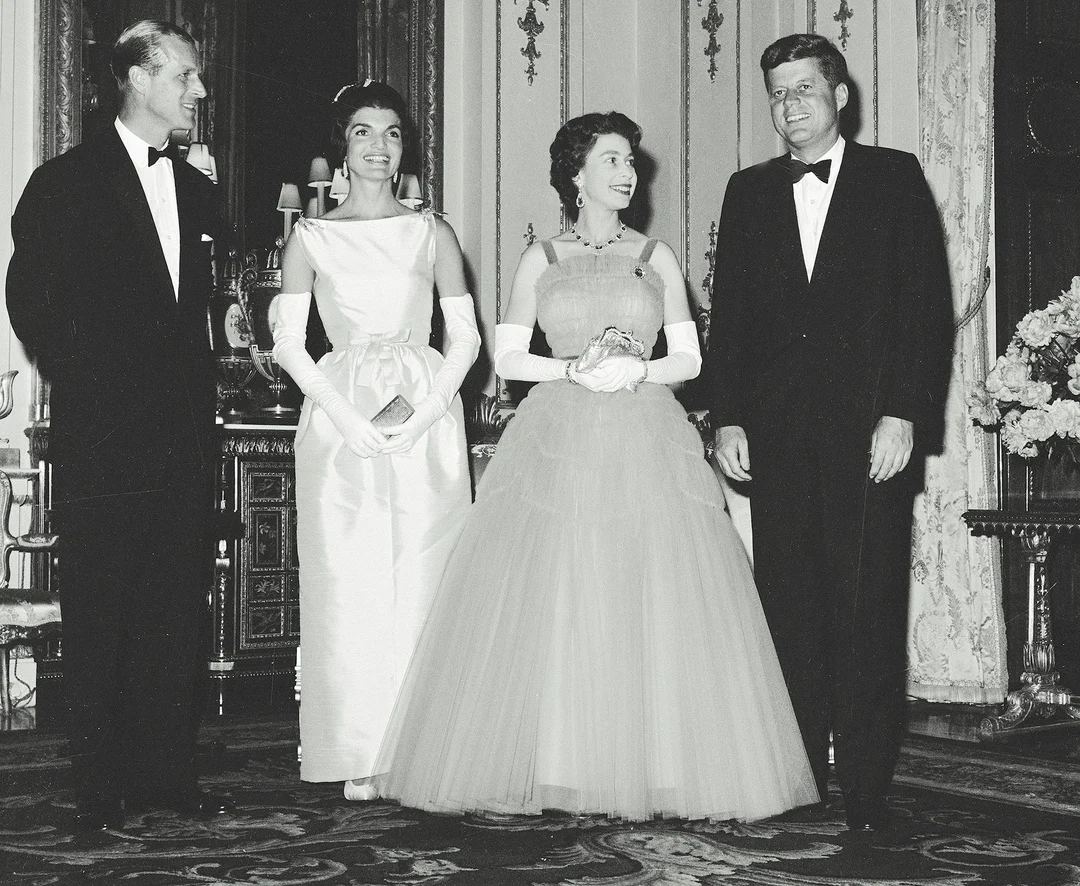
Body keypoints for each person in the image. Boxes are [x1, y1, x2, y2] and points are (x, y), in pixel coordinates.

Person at [369, 111, 819, 822]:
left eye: (631, 161)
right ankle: (563, 761)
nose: (627, 171)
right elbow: (509, 355)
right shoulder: (542, 258)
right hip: (559, 436)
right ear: (575, 176)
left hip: (646, 436)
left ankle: (655, 764)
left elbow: (692, 356)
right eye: (611, 159)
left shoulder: (655, 256)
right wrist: (573, 370)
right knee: (566, 588)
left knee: (649, 591)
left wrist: (638, 372)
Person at [706, 33, 952, 831]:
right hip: (775, 436)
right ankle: (800, 773)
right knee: (790, 607)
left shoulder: (894, 177)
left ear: (840, 95)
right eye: (778, 93)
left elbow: (925, 310)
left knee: (868, 606)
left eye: (804, 90)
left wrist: (905, 412)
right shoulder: (747, 191)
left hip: (870, 436)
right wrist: (727, 415)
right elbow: (732, 319)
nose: (789, 107)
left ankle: (869, 790)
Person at [6, 21, 229, 831]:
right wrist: (100, 385)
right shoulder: (65, 181)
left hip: (180, 440)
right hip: (103, 437)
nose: (200, 91)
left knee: (174, 608)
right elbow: (31, 299)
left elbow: (194, 321)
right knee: (101, 609)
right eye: (187, 77)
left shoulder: (197, 189)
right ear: (139, 77)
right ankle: (99, 787)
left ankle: (166, 776)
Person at [272, 81, 479, 801]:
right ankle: (357, 750)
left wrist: (421, 416)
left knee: (425, 582)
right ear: (343, 145)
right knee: (349, 586)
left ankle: (425, 751)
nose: (379, 147)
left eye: (392, 134)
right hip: (340, 423)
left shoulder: (432, 232)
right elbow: (289, 345)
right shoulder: (312, 237)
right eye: (364, 133)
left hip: (426, 414)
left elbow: (466, 337)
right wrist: (348, 418)